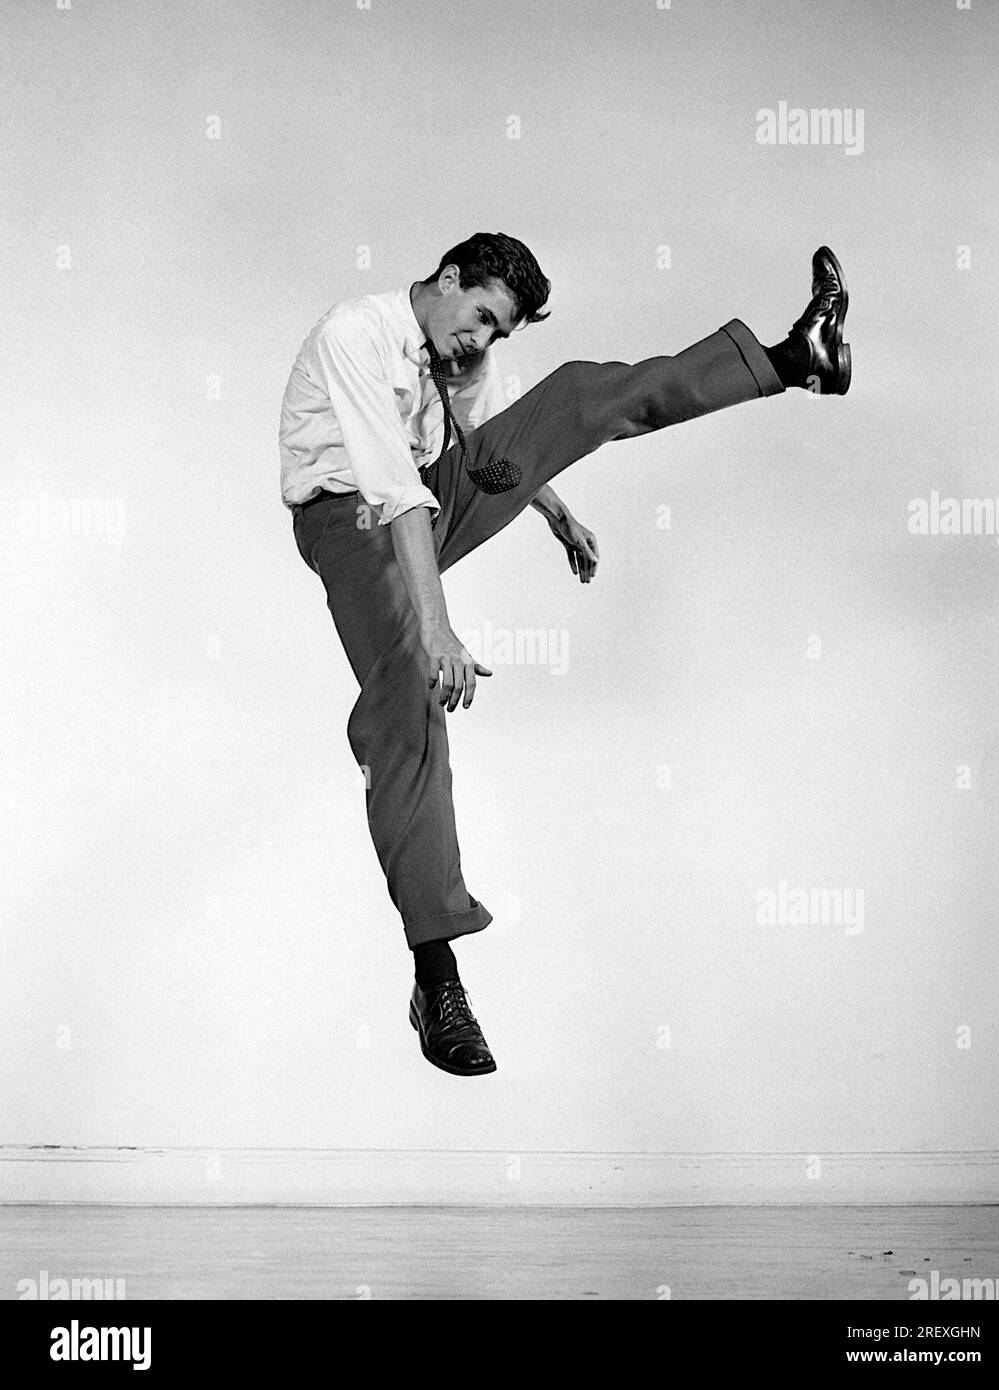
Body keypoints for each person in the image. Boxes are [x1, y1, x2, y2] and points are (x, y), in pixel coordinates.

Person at [280, 231, 851, 1076]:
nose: (483, 343)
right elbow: (393, 490)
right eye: (480, 318)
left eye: (499, 332)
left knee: (577, 392)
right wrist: (437, 629)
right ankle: (437, 978)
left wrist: (551, 508)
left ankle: (788, 359)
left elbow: (475, 456)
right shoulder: (353, 335)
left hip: (419, 501)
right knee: (406, 698)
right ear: (445, 280)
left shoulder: (460, 360)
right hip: (348, 520)